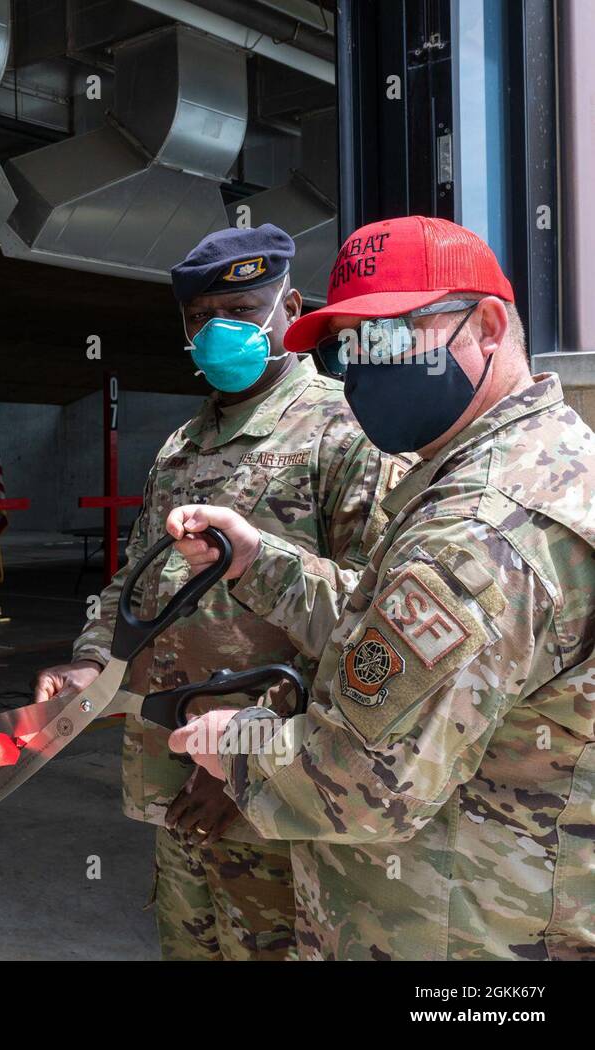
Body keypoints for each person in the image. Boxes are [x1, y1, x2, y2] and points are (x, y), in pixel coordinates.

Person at [166, 215, 595, 960]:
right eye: (342, 349)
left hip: (453, 934)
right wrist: (259, 559)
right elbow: (394, 638)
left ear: (487, 325)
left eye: (386, 339)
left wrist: (233, 743)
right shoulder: (548, 458)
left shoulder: (478, 529)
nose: (359, 371)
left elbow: (361, 785)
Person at [32, 225, 410, 960]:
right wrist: (89, 660)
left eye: (239, 309)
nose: (216, 331)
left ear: (290, 306)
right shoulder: (184, 444)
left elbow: (374, 631)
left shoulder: (347, 434)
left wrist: (243, 763)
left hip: (276, 786)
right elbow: (138, 576)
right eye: (200, 317)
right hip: (172, 769)